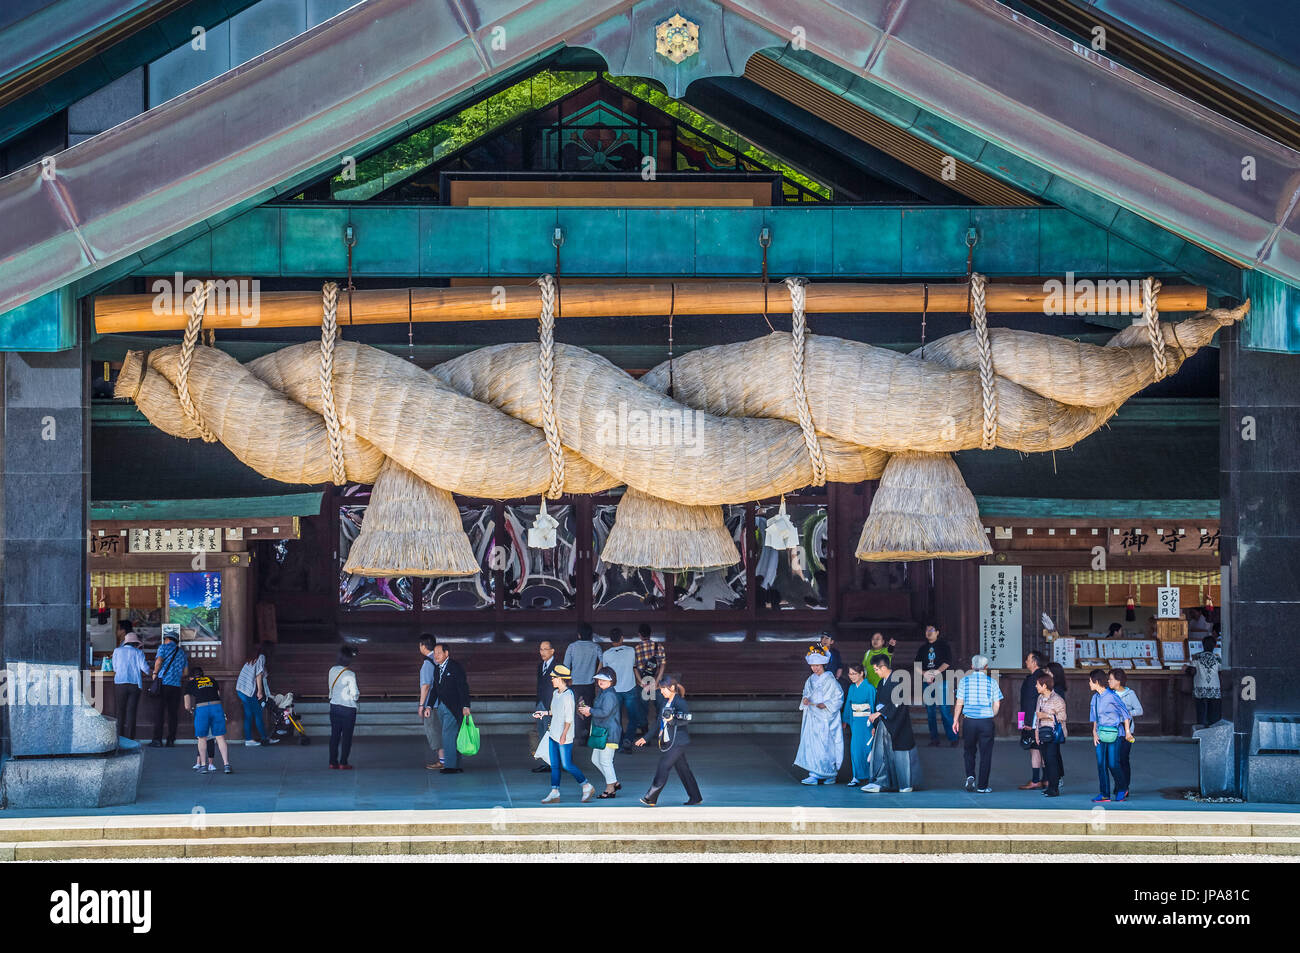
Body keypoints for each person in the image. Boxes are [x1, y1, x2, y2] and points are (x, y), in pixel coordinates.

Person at [636, 675, 703, 806]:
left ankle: (651, 797)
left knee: (663, 767)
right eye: (660, 689)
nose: (661, 691)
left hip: (678, 742)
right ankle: (695, 797)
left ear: (672, 688)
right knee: (684, 770)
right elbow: (657, 723)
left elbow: (686, 719)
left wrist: (672, 720)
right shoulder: (663, 702)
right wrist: (646, 737)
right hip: (669, 740)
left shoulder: (680, 702)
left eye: (663, 689)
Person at [862, 655, 919, 793]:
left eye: (876, 669)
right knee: (881, 753)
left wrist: (880, 713)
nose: (875, 672)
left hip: (898, 722)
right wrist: (876, 724)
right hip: (884, 722)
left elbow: (898, 703)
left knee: (901, 755)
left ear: (883, 667)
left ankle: (905, 784)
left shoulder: (899, 680)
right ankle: (881, 782)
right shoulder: (881, 684)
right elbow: (878, 705)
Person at [540, 664, 596, 803]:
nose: (551, 679)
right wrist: (544, 713)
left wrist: (564, 735)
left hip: (563, 736)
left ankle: (586, 785)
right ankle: (555, 792)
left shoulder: (568, 695)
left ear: (560, 679)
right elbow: (554, 712)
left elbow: (569, 718)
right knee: (554, 765)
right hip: (553, 734)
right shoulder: (555, 693)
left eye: (553, 677)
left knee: (566, 764)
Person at [953, 654, 1003, 793]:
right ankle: (982, 786)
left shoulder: (964, 681)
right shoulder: (992, 682)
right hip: (986, 722)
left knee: (969, 751)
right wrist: (991, 714)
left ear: (972, 666)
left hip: (969, 721)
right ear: (986, 667)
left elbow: (959, 703)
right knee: (985, 754)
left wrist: (955, 720)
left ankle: (970, 775)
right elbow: (997, 703)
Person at [795, 647, 845, 784]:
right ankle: (815, 773)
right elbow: (806, 693)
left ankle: (829, 773)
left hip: (825, 718)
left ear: (823, 664)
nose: (815, 668)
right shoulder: (810, 679)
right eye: (812, 666)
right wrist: (805, 699)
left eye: (817, 665)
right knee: (813, 745)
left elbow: (839, 697)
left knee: (826, 745)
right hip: (813, 716)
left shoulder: (830, 680)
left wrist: (827, 704)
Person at [1089, 668, 1134, 802]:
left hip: (1115, 733)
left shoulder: (1112, 696)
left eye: (1090, 681)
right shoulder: (1095, 697)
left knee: (1113, 763)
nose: (1089, 684)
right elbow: (1094, 717)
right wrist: (1094, 733)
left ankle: (1122, 788)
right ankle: (1104, 794)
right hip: (1101, 734)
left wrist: (1127, 732)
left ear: (1096, 682)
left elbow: (1125, 714)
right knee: (1101, 764)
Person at [579, 667, 622, 798]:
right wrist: (588, 710)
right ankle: (614, 782)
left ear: (611, 681)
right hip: (601, 732)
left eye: (604, 679)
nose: (601, 681)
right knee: (595, 759)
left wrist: (590, 710)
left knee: (605, 761)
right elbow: (600, 711)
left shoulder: (609, 694)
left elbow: (604, 712)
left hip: (609, 733)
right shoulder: (603, 692)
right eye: (599, 679)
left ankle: (610, 789)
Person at [431, 643, 471, 774]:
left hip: (454, 707)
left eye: (438, 653)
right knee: (452, 736)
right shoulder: (437, 669)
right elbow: (435, 689)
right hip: (442, 706)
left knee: (447, 735)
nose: (436, 655)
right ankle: (456, 765)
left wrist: (466, 705)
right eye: (435, 653)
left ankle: (450, 766)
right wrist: (429, 705)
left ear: (446, 653)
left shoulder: (455, 667)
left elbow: (463, 687)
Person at [600, 627, 643, 748]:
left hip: (614, 691)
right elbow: (635, 667)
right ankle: (628, 740)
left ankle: (620, 741)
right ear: (622, 638)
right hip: (630, 688)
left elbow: (606, 673)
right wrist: (640, 681)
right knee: (633, 717)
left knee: (616, 718)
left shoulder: (606, 654)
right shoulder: (631, 651)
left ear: (610, 640)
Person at [915, 623, 957, 747]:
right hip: (927, 683)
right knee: (930, 712)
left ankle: (953, 737)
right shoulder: (922, 648)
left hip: (942, 681)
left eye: (931, 630)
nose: (929, 632)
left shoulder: (944, 646)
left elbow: (948, 662)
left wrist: (935, 673)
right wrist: (925, 674)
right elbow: (917, 665)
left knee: (944, 710)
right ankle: (934, 738)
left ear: (937, 632)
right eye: (927, 630)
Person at [184, 665, 232, 774]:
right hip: (216, 707)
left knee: (202, 738)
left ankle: (203, 766)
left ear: (191, 677)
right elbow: (218, 695)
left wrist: (191, 710)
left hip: (202, 708)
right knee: (220, 737)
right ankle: (226, 765)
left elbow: (187, 705)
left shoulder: (190, 683)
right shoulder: (212, 680)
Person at [148, 629, 188, 748]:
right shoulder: (182, 652)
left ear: (167, 639)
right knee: (173, 714)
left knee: (159, 713)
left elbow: (159, 661)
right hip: (176, 686)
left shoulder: (163, 648)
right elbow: (185, 672)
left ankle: (157, 740)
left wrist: (155, 673)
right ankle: (171, 740)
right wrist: (175, 676)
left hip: (163, 685)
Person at [110, 623, 150, 741]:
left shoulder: (117, 651)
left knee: (120, 712)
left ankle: (120, 739)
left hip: (120, 684)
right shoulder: (138, 653)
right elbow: (145, 669)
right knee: (131, 713)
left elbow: (115, 668)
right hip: (134, 685)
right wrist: (153, 672)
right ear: (135, 643)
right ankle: (131, 740)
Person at [564, 623, 601, 744]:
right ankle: (586, 734)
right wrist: (596, 673)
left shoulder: (572, 647)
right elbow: (604, 660)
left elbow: (565, 666)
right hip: (589, 684)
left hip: (575, 684)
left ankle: (578, 735)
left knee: (577, 709)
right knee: (588, 709)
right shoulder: (596, 647)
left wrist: (567, 680)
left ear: (579, 635)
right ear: (591, 635)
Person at [1032, 670, 1067, 797]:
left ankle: (1054, 788)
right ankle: (1050, 787)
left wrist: (1046, 715)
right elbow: (1037, 717)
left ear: (1044, 685)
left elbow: (1062, 717)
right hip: (1042, 733)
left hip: (1053, 734)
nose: (1036, 686)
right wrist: (1036, 734)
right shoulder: (1040, 698)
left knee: (1052, 761)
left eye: (1038, 684)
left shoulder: (1057, 699)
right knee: (1046, 760)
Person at [235, 642, 278, 746]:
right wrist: (260, 691)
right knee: (258, 715)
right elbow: (258, 675)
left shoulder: (251, 659)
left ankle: (249, 739)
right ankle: (265, 738)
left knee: (249, 715)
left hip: (241, 689)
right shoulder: (261, 657)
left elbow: (261, 673)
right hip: (248, 692)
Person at [841, 662, 876, 786]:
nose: (851, 676)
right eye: (850, 674)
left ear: (862, 673)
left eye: (854, 674)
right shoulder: (851, 688)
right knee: (855, 749)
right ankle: (856, 776)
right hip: (855, 721)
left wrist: (874, 724)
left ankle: (870, 776)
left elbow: (873, 705)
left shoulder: (870, 688)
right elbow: (848, 704)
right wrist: (845, 719)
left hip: (867, 722)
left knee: (868, 748)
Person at [1108, 669, 1143, 788]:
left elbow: (1139, 710)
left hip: (1127, 731)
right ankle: (1119, 784)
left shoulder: (1130, 694)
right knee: (1113, 760)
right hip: (1112, 731)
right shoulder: (1109, 694)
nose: (1108, 681)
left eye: (1111, 679)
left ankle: (1124, 786)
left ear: (1118, 681)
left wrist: (1126, 713)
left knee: (1123, 758)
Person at [327, 644, 359, 769]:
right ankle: (343, 762)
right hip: (348, 709)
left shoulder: (332, 670)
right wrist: (356, 697)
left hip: (334, 706)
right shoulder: (350, 674)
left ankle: (332, 762)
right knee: (346, 737)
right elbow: (355, 693)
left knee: (334, 735)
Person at [1019, 651, 1046, 789]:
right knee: (1043, 749)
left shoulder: (1033, 679)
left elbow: (1029, 702)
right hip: (1044, 720)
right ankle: (1046, 779)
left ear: (1034, 662)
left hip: (1033, 720)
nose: (1026, 662)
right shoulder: (1045, 676)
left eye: (1028, 659)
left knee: (1034, 749)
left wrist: (1026, 722)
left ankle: (1036, 780)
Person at [531, 640, 557, 772]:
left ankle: (555, 762)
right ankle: (546, 762)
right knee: (542, 733)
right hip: (541, 703)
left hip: (551, 705)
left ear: (552, 651)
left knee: (551, 733)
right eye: (541, 649)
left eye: (545, 649)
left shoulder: (557, 666)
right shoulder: (540, 665)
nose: (542, 652)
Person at [417, 634, 442, 770]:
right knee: (443, 731)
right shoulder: (440, 658)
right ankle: (447, 759)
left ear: (423, 645)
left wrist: (422, 705)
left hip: (432, 704)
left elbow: (426, 686)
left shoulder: (428, 663)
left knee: (435, 731)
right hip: (443, 702)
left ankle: (442, 761)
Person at [1187, 634, 1223, 727]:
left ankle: (1201, 733)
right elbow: (1221, 670)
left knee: (1201, 712)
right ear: (1214, 646)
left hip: (1200, 687)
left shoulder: (1197, 657)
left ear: (1202, 645)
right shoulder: (1218, 658)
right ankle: (1212, 734)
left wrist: (1186, 668)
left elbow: (1191, 671)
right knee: (1213, 714)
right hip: (1214, 688)